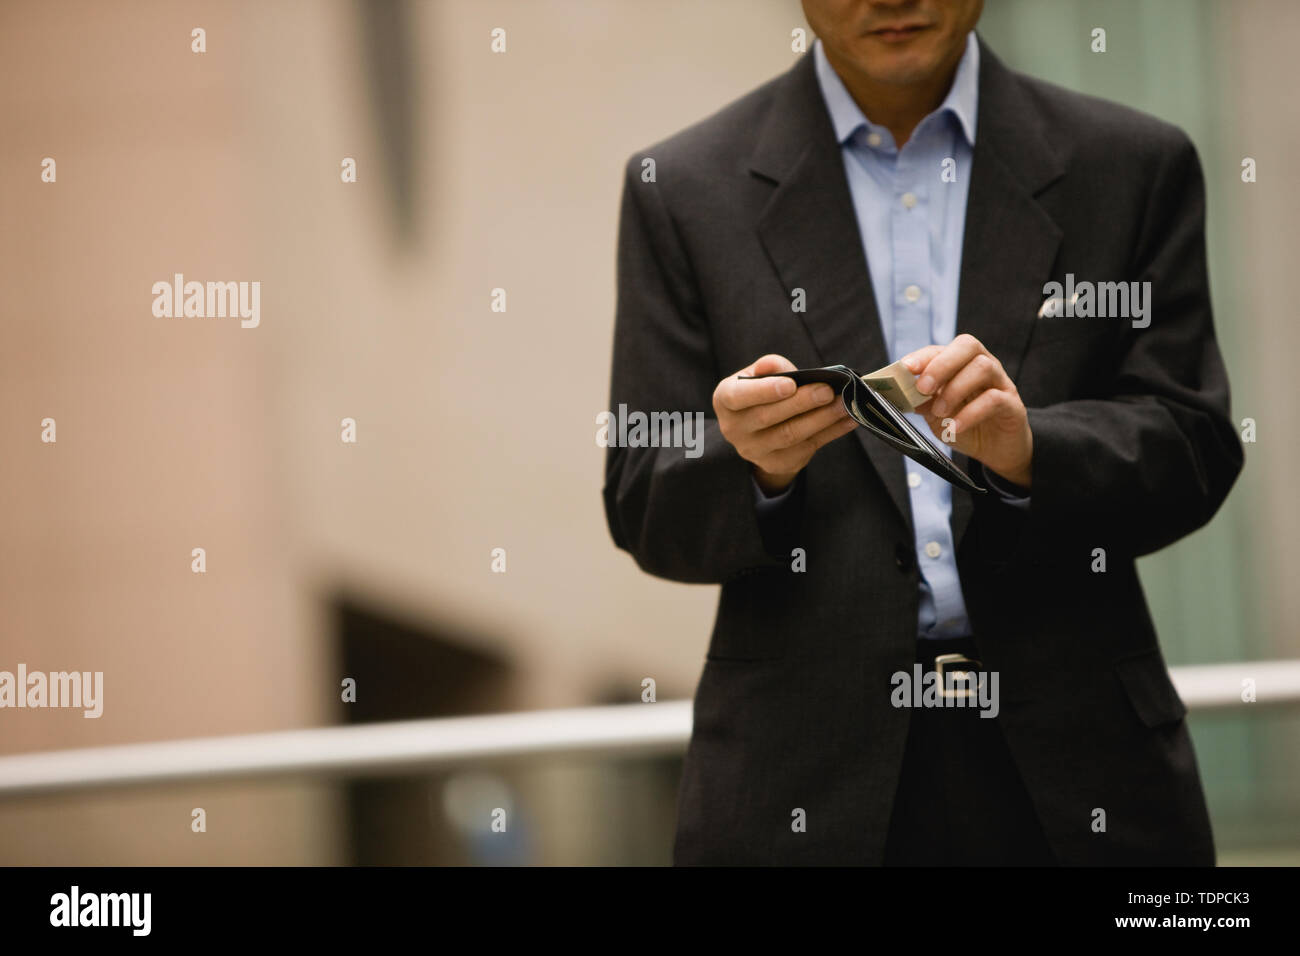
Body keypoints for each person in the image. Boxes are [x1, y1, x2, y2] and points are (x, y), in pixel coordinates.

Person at [603, 0, 1243, 865]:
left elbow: (1195, 443)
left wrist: (1030, 453)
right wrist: (754, 469)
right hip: (796, 786)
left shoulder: (1131, 164)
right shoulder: (680, 188)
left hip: (1085, 776)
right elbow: (642, 499)